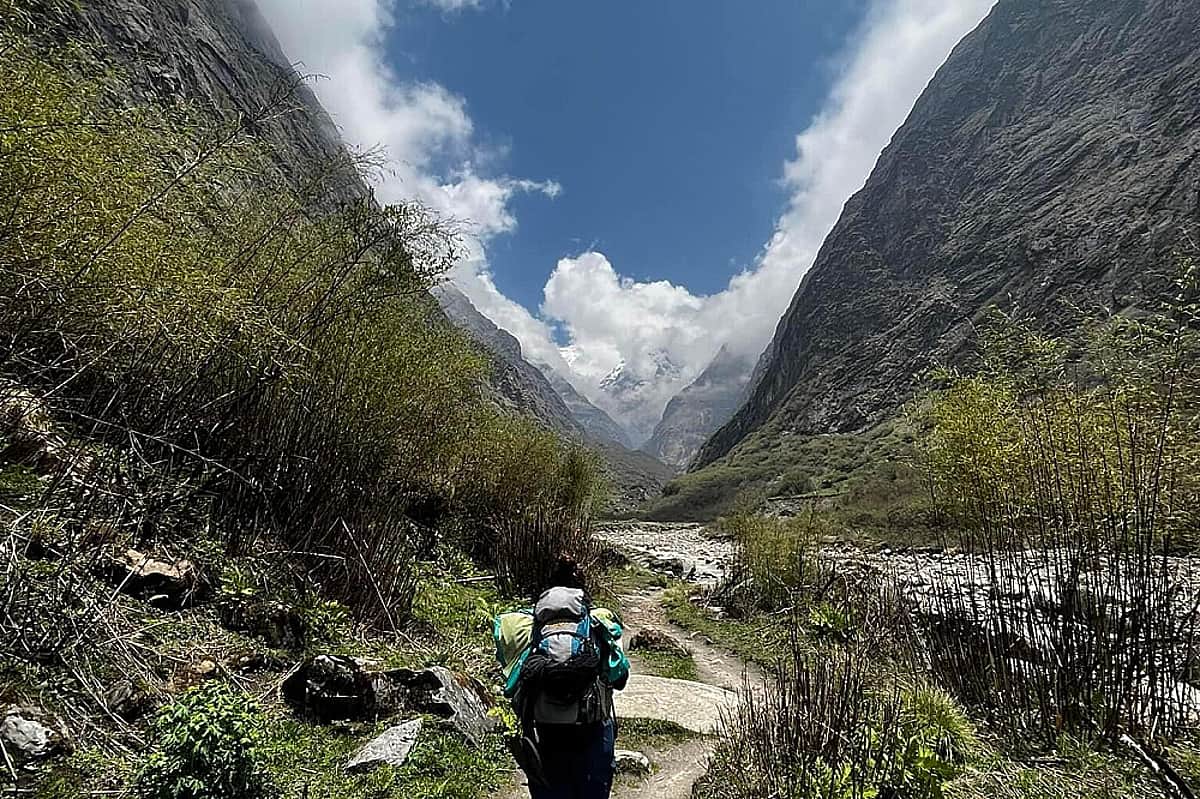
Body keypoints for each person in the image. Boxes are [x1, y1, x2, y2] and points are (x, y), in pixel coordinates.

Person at [494, 555, 630, 799]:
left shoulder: (525, 625)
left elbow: (511, 671)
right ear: (582, 592)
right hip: (591, 729)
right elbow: (620, 679)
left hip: (544, 730)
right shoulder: (599, 622)